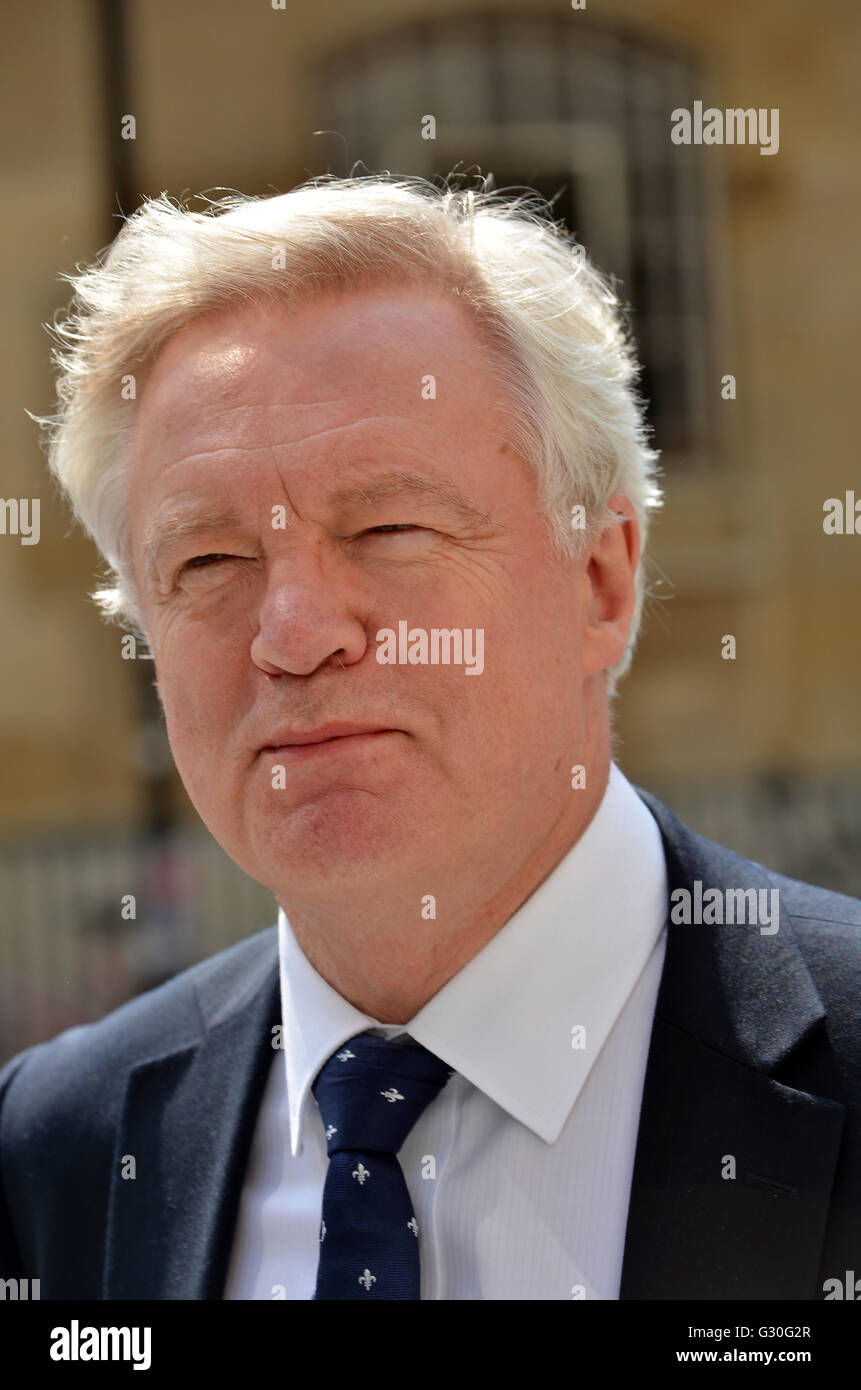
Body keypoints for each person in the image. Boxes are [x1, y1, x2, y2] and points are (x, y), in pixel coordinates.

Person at [1, 177, 858, 1300]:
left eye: (389, 528)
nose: (295, 634)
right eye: (208, 562)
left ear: (602, 582)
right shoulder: (57, 1154)